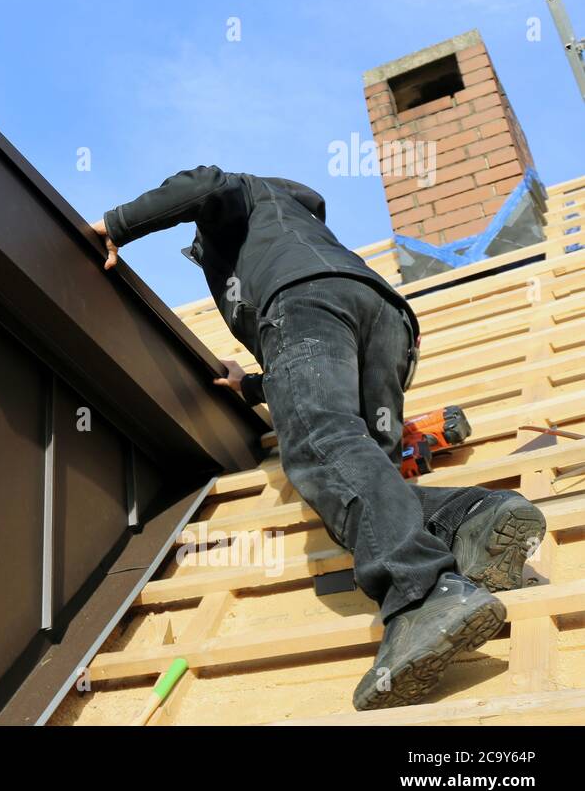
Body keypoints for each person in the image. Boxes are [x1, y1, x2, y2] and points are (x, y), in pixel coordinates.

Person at [91, 165, 546, 711]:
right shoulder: (301, 226)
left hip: (304, 303)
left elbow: (207, 183)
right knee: (364, 473)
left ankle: (425, 592)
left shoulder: (245, 197)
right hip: (388, 320)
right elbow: (319, 355)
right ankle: (474, 517)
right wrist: (255, 384)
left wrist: (115, 224)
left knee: (322, 449)